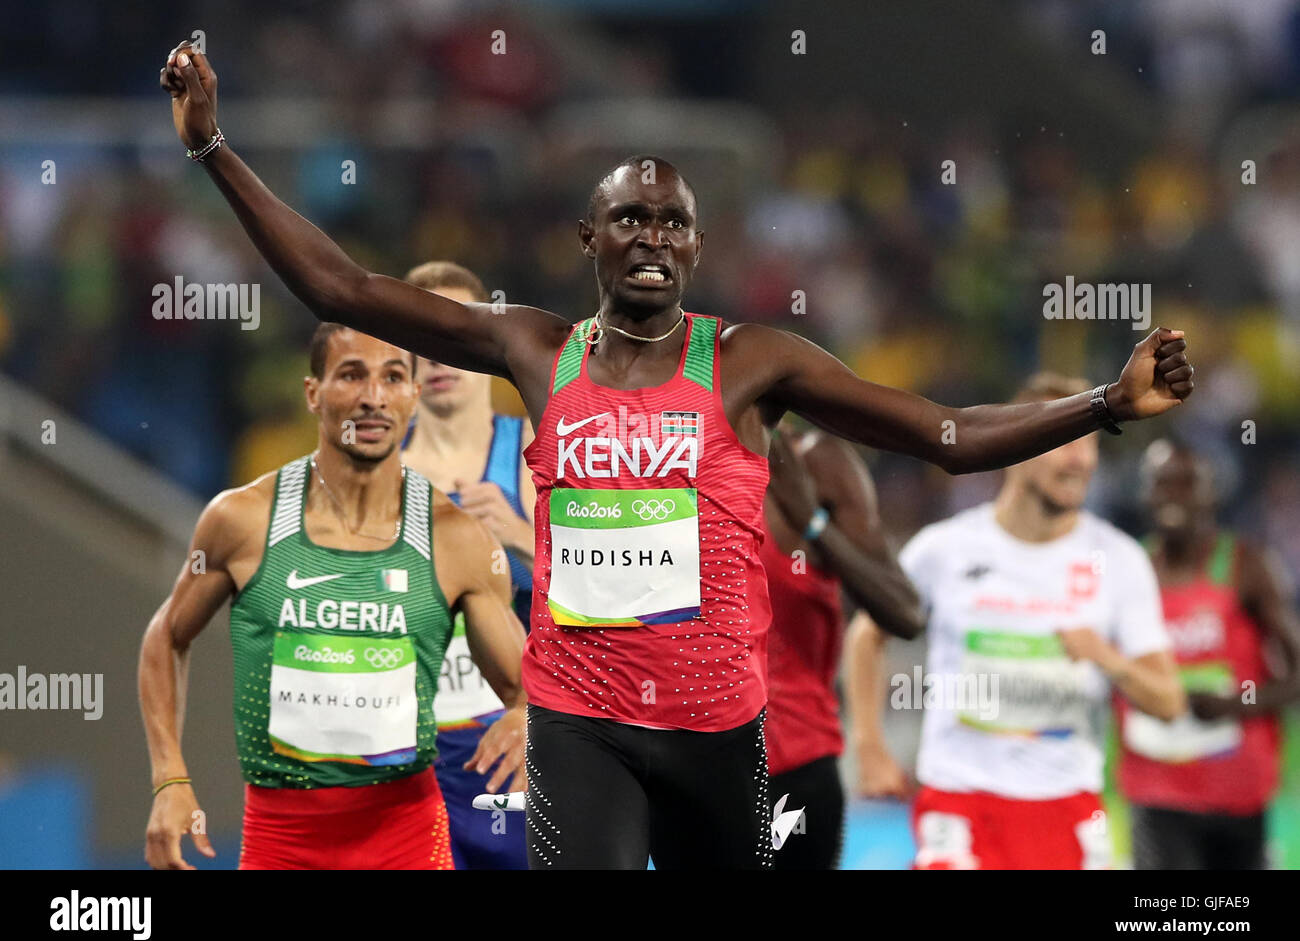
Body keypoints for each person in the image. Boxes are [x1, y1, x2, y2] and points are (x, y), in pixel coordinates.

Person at [160, 44, 1195, 868]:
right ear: (588, 237)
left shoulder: (750, 363)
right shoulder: (532, 346)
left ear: (694, 247)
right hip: (580, 723)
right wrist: (215, 153)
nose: (651, 235)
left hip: (717, 728)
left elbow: (945, 436)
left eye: (672, 221)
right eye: (628, 219)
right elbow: (343, 289)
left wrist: (1104, 403)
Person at [138, 324, 527, 869]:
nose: (373, 397)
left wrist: (528, 715)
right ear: (312, 393)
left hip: (408, 840)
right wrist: (169, 778)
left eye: (393, 377)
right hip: (282, 842)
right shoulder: (241, 521)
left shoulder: (457, 538)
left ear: (413, 397)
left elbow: (522, 685)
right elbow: (166, 636)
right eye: (351, 375)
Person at [852, 374, 1187, 869]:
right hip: (960, 802)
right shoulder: (945, 549)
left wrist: (1105, 658)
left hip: (1069, 806)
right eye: (1065, 444)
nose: (1081, 460)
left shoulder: (1117, 559)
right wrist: (868, 743)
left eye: (1090, 446)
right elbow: (867, 633)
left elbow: (1167, 701)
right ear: (1021, 443)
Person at [401, 260, 534, 870]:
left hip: (513, 741)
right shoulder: (375, 466)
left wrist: (523, 536)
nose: (437, 358)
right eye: (421, 342)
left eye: (452, 338)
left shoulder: (534, 455)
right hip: (404, 753)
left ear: (488, 345)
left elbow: (617, 594)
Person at [1118, 439, 1300, 869]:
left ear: (1212, 494)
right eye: (1162, 484)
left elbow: (1297, 675)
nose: (1173, 497)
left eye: (1187, 484)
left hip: (1237, 793)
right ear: (1144, 492)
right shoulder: (1128, 570)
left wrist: (1233, 706)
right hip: (1155, 789)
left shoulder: (1247, 566)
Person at [761, 427, 924, 868]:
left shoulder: (816, 465)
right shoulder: (667, 460)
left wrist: (812, 519)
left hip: (793, 768)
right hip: (688, 760)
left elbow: (905, 611)